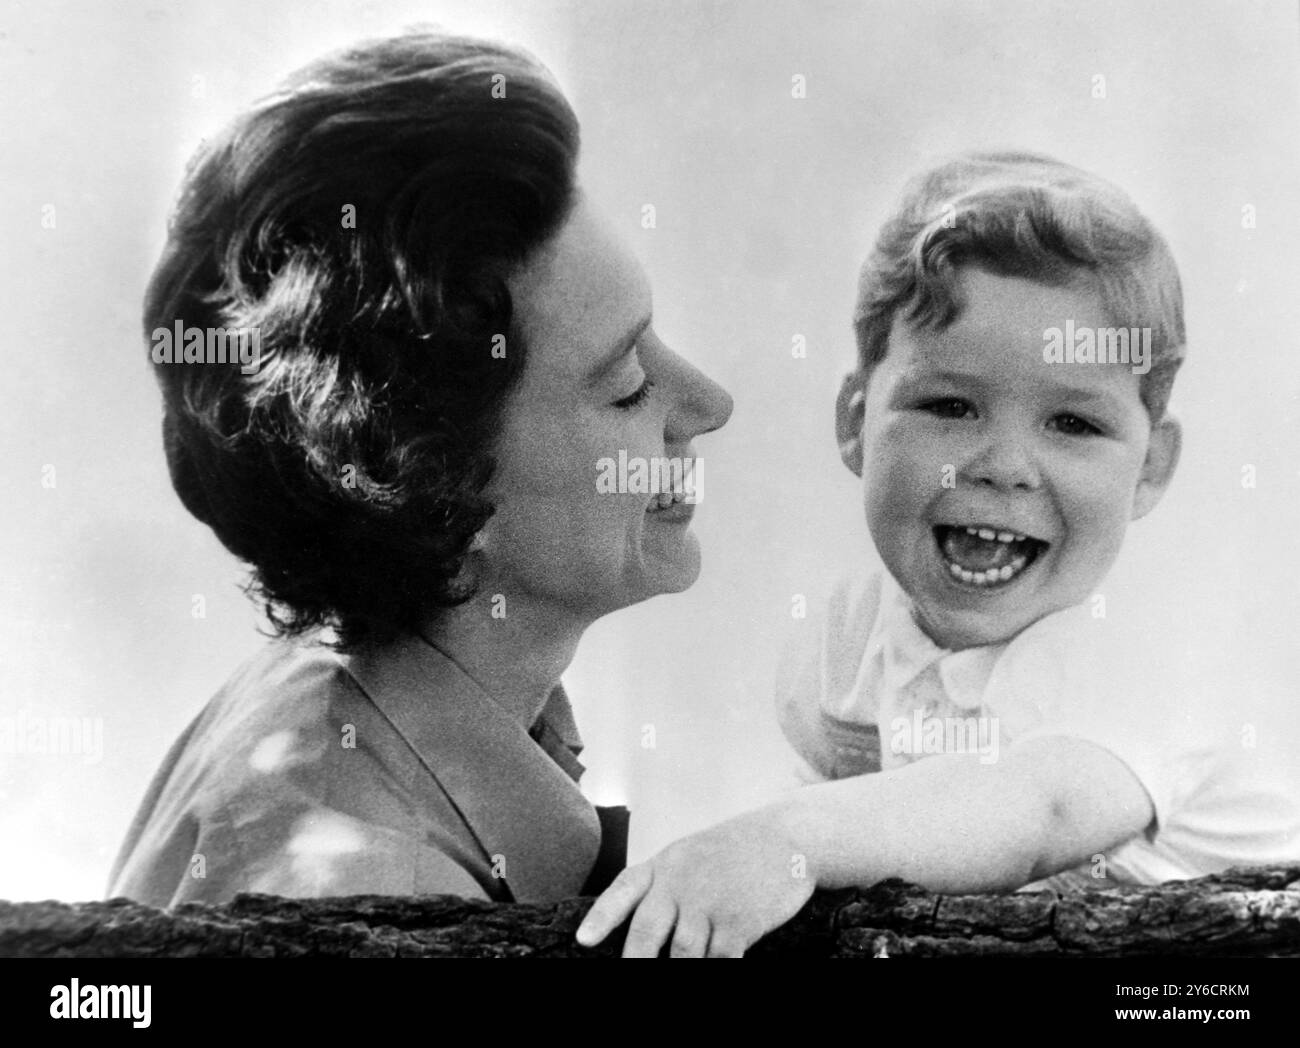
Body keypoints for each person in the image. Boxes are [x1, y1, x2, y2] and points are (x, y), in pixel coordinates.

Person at [576, 151, 1300, 957]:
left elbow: (1034, 813)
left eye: (1073, 424)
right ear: (855, 421)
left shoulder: (1148, 651)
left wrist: (780, 839)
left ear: (1151, 466)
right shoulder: (843, 645)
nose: (1002, 465)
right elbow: (842, 857)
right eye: (950, 405)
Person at [108, 31, 732, 909]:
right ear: (444, 493)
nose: (709, 403)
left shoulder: (362, 682)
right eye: (627, 387)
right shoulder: (372, 888)